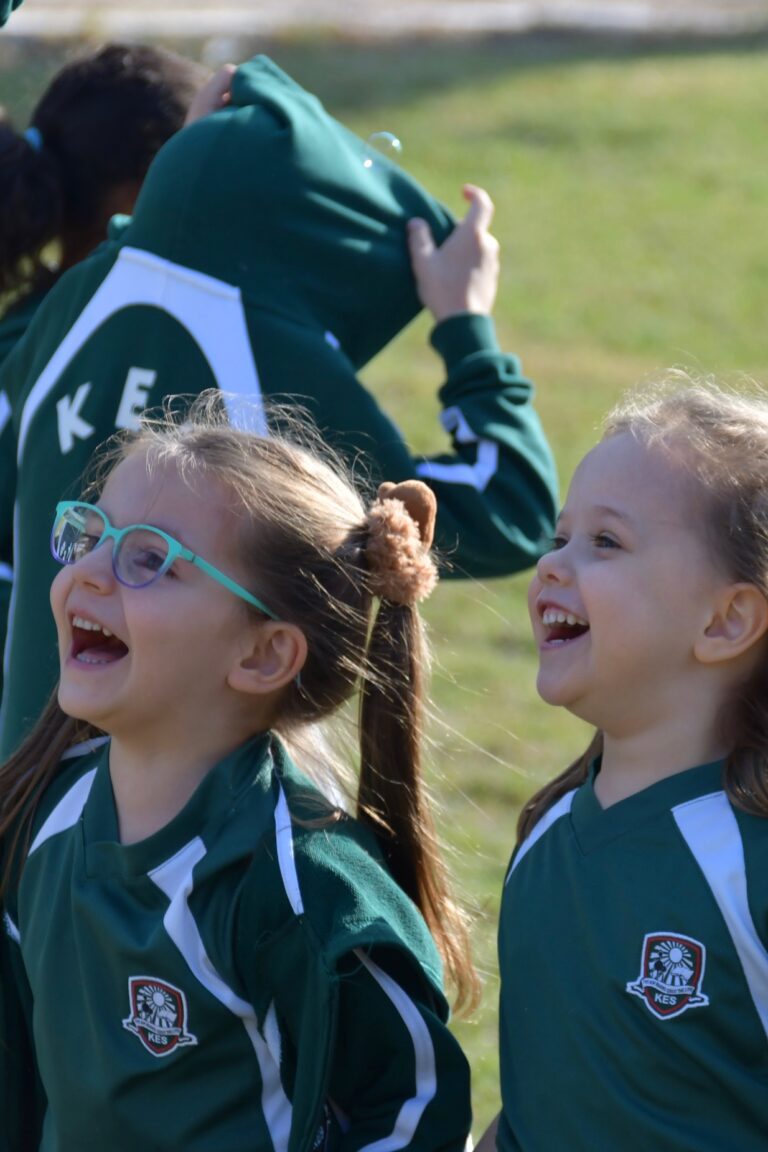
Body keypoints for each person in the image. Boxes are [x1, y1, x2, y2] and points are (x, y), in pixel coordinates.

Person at [0, 53, 558, 757]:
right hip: (195, 811)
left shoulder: (63, 309)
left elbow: (139, 255)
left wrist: (195, 173)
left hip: (25, 795)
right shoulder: (271, 360)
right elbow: (513, 510)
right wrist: (465, 327)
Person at [0, 394, 474, 1152]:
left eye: (148, 557)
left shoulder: (302, 887)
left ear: (262, 655)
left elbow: (411, 1117)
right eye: (91, 535)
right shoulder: (40, 819)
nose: (87, 574)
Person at [481, 379, 768, 1152]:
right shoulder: (546, 835)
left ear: (727, 619)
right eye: (558, 537)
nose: (551, 567)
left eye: (604, 542)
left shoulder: (749, 868)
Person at [0, 42, 211, 710]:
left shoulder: (24, 326)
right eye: (203, 173)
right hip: (52, 719)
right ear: (149, 191)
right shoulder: (117, 354)